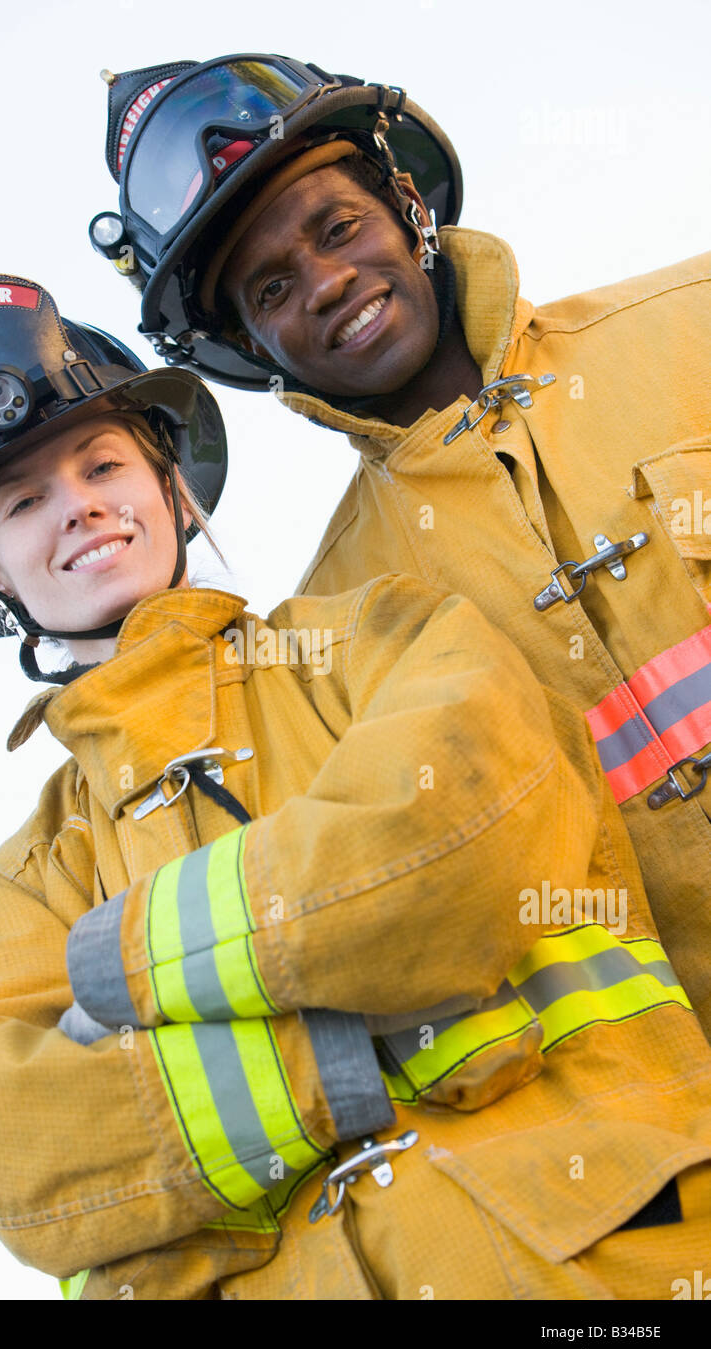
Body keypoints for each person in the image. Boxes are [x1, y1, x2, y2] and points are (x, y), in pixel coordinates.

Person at [0, 263, 711, 1301]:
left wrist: (117, 967)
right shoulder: (19, 889)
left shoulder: (381, 634)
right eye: (23, 500)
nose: (81, 509)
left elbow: (454, 847)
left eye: (103, 466)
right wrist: (357, 1044)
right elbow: (25, 1160)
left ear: (170, 486)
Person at [90, 53, 711, 1041]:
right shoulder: (331, 632)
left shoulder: (690, 327)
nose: (331, 282)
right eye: (272, 288)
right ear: (251, 348)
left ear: (407, 202)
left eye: (339, 227)